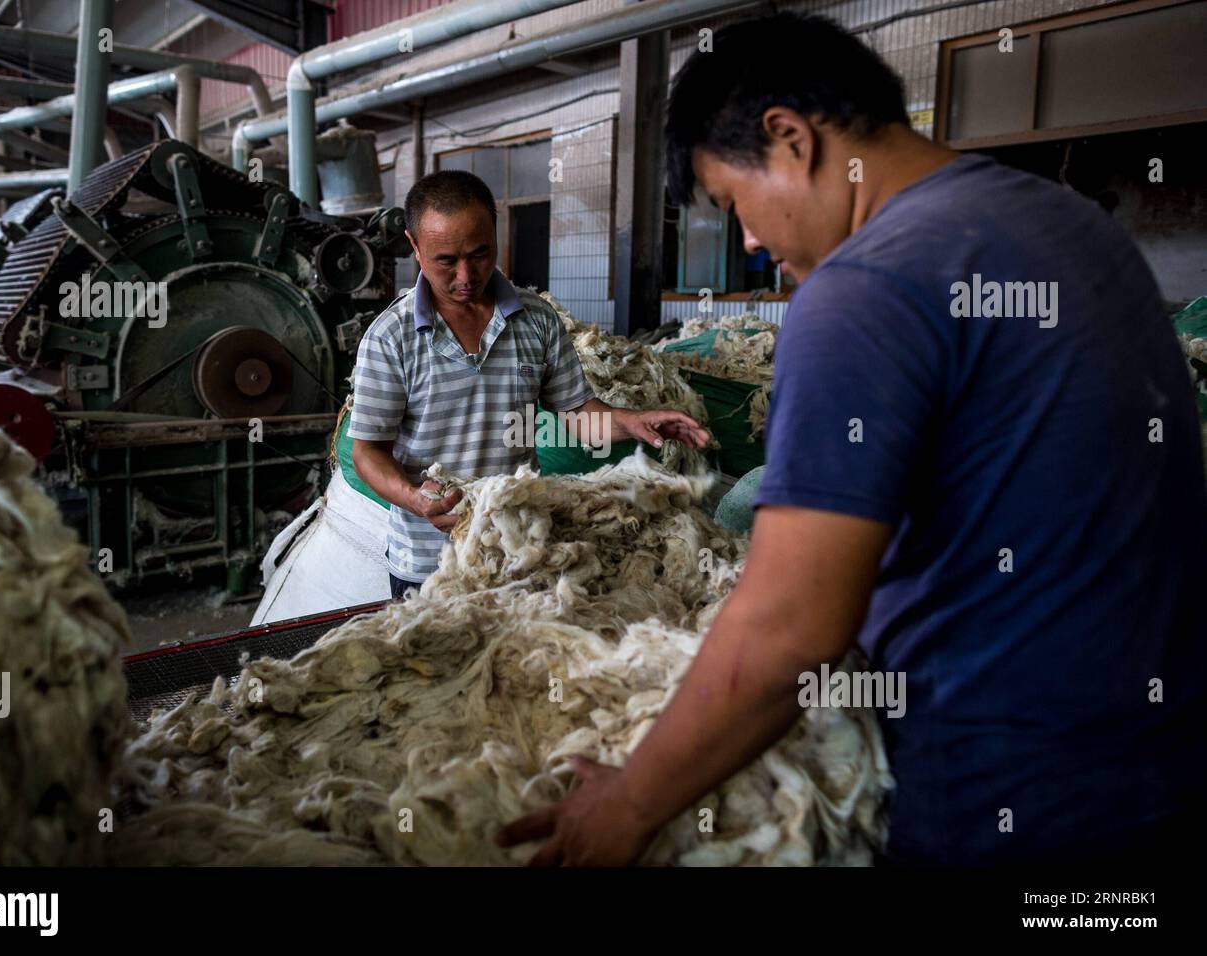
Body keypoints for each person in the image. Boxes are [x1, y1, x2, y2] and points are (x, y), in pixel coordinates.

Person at [498, 12, 1207, 866]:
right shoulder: (1073, 228)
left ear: (790, 139)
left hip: (1015, 797)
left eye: (734, 205)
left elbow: (793, 630)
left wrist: (628, 803)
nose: (751, 244)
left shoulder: (864, 289)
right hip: (1163, 767)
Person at [348, 170, 710, 599]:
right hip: (429, 565)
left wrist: (634, 422)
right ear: (414, 245)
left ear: (496, 233)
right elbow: (368, 450)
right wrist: (413, 498)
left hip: (518, 551)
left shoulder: (535, 319)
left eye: (480, 253)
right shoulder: (391, 336)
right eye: (446, 260)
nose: (466, 275)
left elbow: (577, 415)